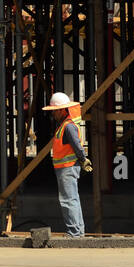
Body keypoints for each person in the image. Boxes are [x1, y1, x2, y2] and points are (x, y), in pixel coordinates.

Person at [44, 92, 90, 238]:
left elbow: (76, 145)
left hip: (67, 168)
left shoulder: (68, 127)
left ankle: (74, 233)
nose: (52, 114)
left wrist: (83, 159)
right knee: (72, 199)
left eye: (54, 111)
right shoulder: (65, 125)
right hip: (66, 168)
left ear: (61, 110)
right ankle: (78, 232)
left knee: (68, 200)